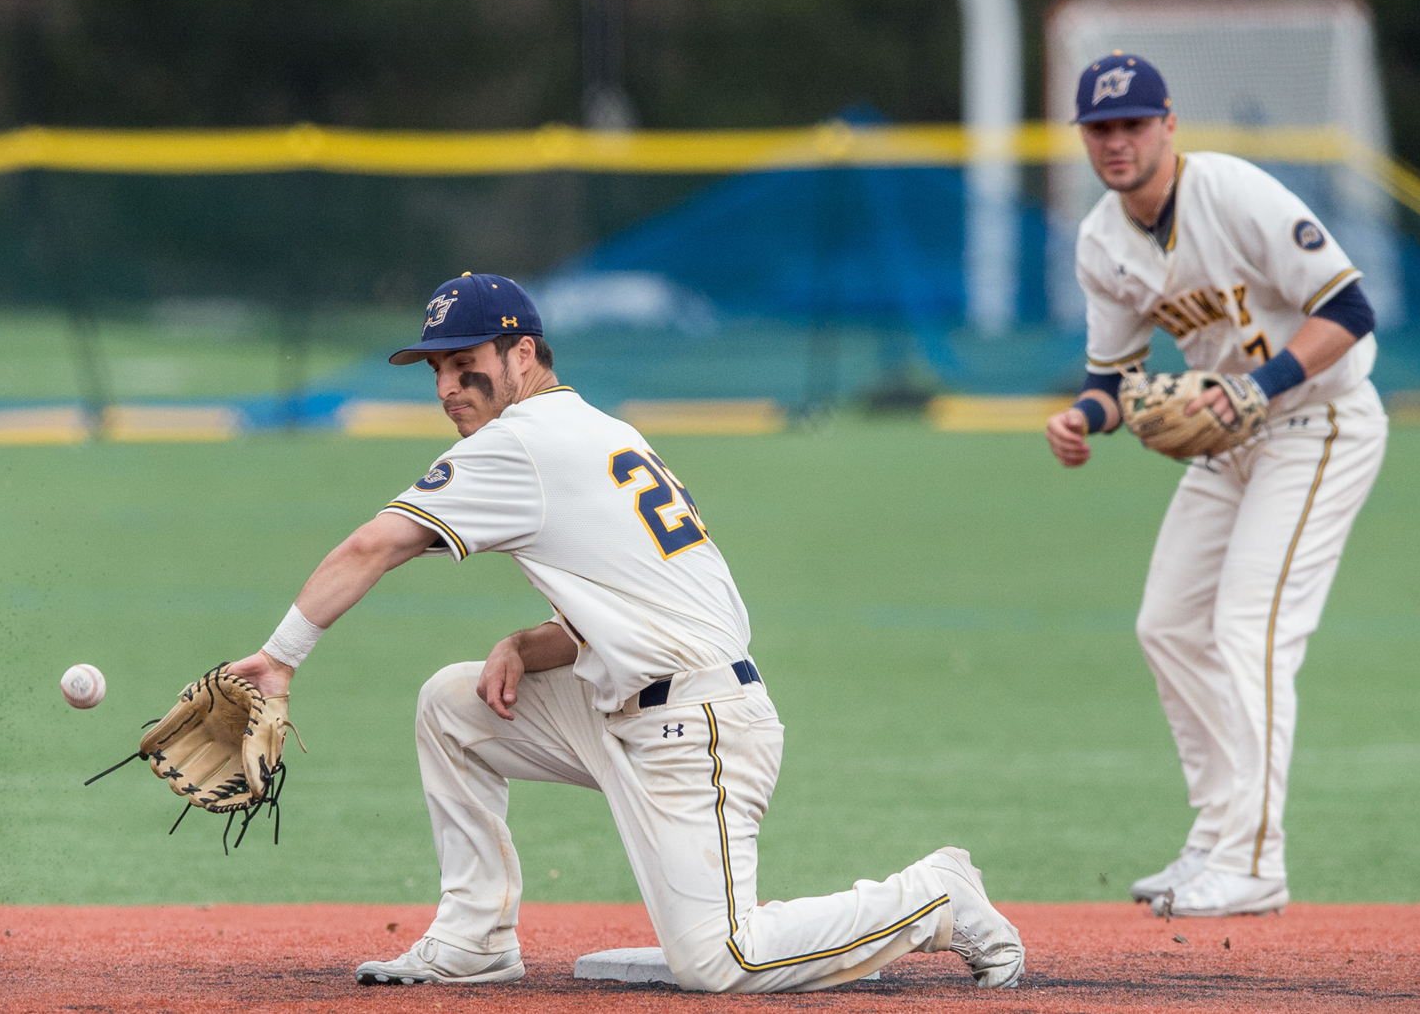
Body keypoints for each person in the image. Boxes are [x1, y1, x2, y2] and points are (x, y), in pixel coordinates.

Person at [221, 272, 1024, 992]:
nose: (446, 383)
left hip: (697, 725)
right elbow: (633, 600)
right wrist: (525, 645)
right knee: (452, 703)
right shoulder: (597, 428)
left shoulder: (522, 441)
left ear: (520, 351)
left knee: (722, 960)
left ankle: (933, 895)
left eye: (461, 360)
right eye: (433, 366)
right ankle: (473, 937)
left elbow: (375, 544)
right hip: (634, 703)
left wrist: (281, 656)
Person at [1044, 53, 1388, 917]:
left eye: (1131, 124)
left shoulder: (1234, 194)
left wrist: (1253, 389)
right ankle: (1218, 829)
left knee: (1251, 627)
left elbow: (1349, 311)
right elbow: (1113, 375)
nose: (1116, 141)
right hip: (1231, 441)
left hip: (1319, 423)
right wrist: (1084, 419)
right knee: (1166, 622)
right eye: (1100, 128)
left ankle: (1257, 859)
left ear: (1167, 126)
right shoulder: (1102, 241)